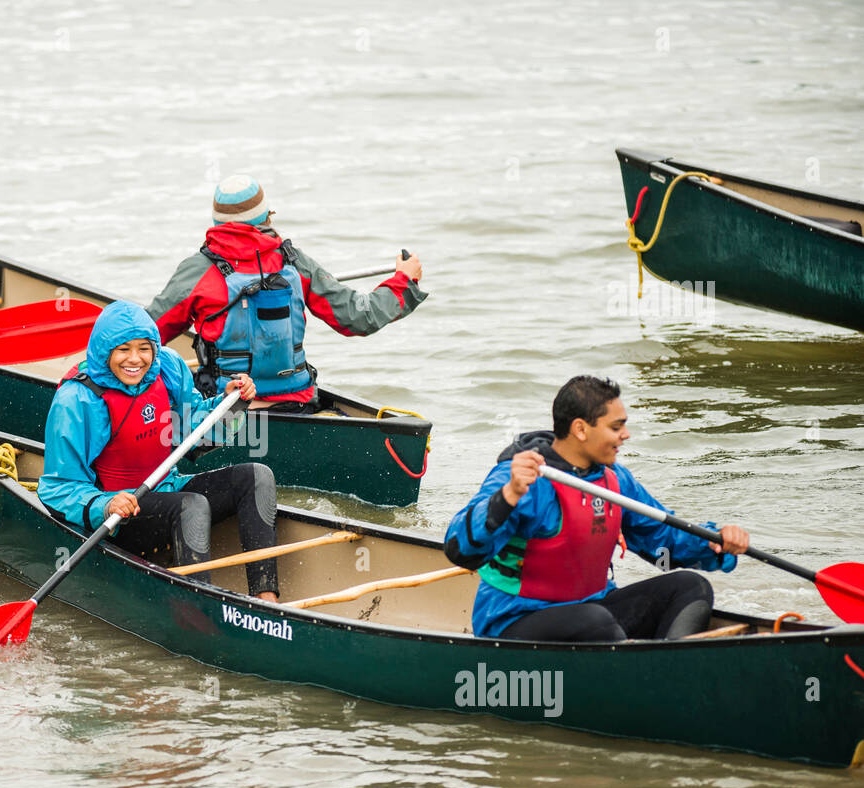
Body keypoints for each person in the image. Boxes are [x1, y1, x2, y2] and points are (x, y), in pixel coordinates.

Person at [444, 375, 749, 642]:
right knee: (596, 620)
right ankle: (638, 675)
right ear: (580, 429)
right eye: (616, 427)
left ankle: (671, 668)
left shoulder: (616, 481)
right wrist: (507, 496)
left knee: (690, 587)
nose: (625, 435)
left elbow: (663, 543)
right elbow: (460, 550)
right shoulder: (522, 476)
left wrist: (715, 541)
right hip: (515, 620)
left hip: (594, 610)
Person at [38, 300, 280, 601]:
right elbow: (57, 488)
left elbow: (193, 436)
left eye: (144, 348)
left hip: (167, 489)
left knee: (257, 475)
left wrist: (229, 405)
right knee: (190, 505)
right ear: (104, 352)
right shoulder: (76, 400)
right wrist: (105, 505)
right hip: (120, 517)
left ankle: (266, 598)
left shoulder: (167, 368)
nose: (135, 359)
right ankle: (197, 607)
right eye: (123, 349)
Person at [146, 173, 427, 412]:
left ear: (218, 222)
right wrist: (404, 281)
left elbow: (146, 335)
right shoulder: (294, 262)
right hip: (296, 403)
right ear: (266, 216)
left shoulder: (196, 271)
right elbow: (358, 317)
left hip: (225, 406)